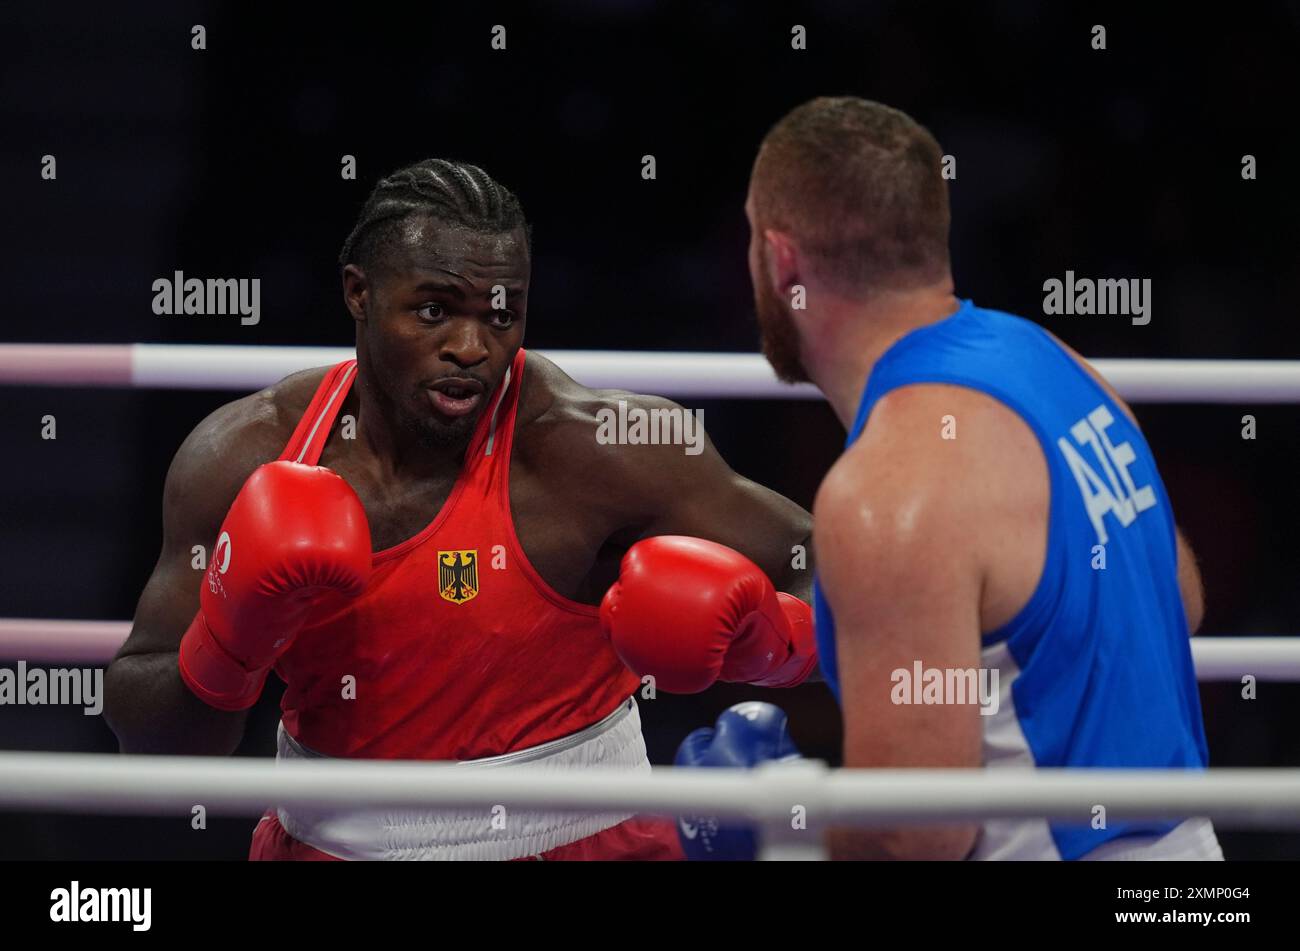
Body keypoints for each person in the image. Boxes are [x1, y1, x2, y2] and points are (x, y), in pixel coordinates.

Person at [103, 158, 817, 861]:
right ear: (358, 293)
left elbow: (832, 569)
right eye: (435, 310)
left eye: (502, 312)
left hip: (584, 840)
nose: (472, 347)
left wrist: (770, 640)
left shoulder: (599, 451)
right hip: (330, 847)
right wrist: (229, 642)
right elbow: (151, 740)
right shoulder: (243, 455)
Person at [669, 96, 1221, 861]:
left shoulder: (886, 492)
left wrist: (771, 819)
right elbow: (1180, 599)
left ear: (781, 259)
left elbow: (918, 832)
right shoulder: (1058, 365)